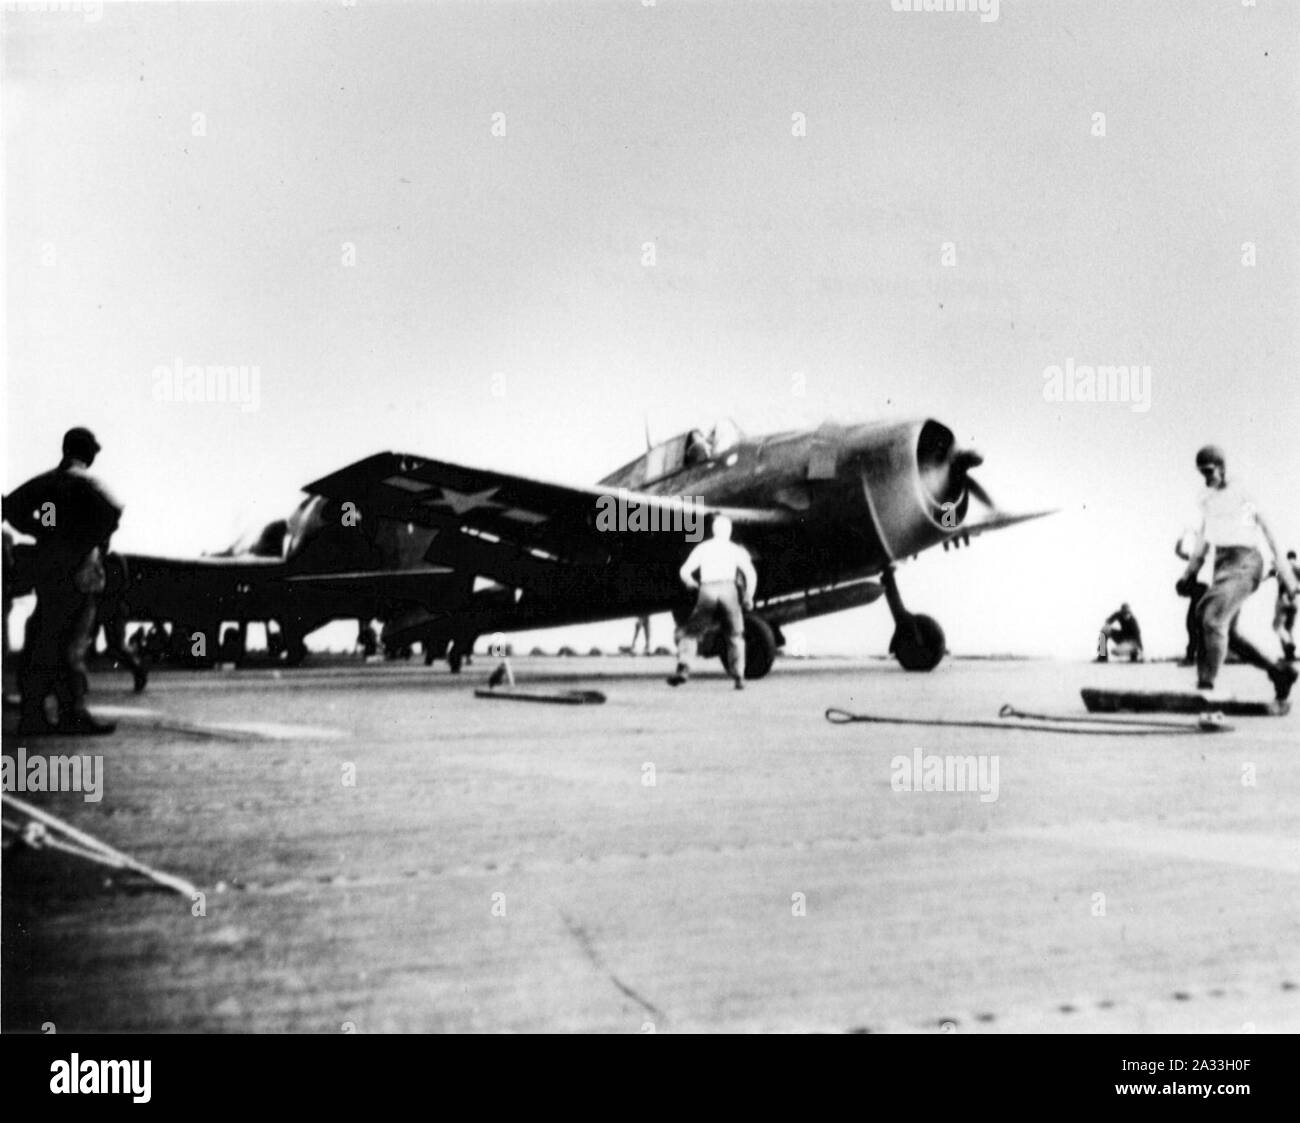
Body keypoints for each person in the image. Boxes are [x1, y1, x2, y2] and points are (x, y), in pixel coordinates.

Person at [2, 427, 121, 734]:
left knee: (42, 638)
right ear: (88, 453)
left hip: (49, 570)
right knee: (72, 644)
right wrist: (85, 540)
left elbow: (10, 507)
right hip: (79, 572)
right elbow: (114, 512)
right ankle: (73, 713)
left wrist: (42, 531)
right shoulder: (90, 483)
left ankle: (34, 714)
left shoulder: (44, 483)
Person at [1175, 445, 1298, 701]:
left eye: (1209, 471)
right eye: (1202, 473)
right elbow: (1202, 542)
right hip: (1222, 566)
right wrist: (1188, 575)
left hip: (1246, 563)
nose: (1206, 478)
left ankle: (1207, 687)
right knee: (1228, 634)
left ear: (1221, 467)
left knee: (1209, 617)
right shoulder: (1206, 498)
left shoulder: (1242, 491)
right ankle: (1279, 673)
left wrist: (1287, 577)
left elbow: (1269, 531)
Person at [668, 514, 756, 690]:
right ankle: (739, 676)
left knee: (691, 632)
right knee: (735, 635)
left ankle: (684, 668)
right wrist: (748, 596)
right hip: (728, 590)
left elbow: (684, 571)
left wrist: (691, 583)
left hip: (707, 589)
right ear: (729, 531)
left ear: (713, 531)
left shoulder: (703, 548)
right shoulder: (735, 550)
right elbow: (750, 574)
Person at [95, 551, 147, 692]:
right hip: (111, 607)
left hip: (111, 607)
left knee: (115, 647)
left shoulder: (109, 560)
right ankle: (137, 668)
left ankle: (138, 668)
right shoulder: (112, 560)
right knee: (114, 646)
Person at [1274, 549, 1299, 663]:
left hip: (1282, 599)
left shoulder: (1282, 567)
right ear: (1295, 557)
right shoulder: (1297, 568)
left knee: (1278, 626)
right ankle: (1290, 655)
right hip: (1294, 601)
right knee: (1289, 628)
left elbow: (1271, 574)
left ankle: (1289, 646)